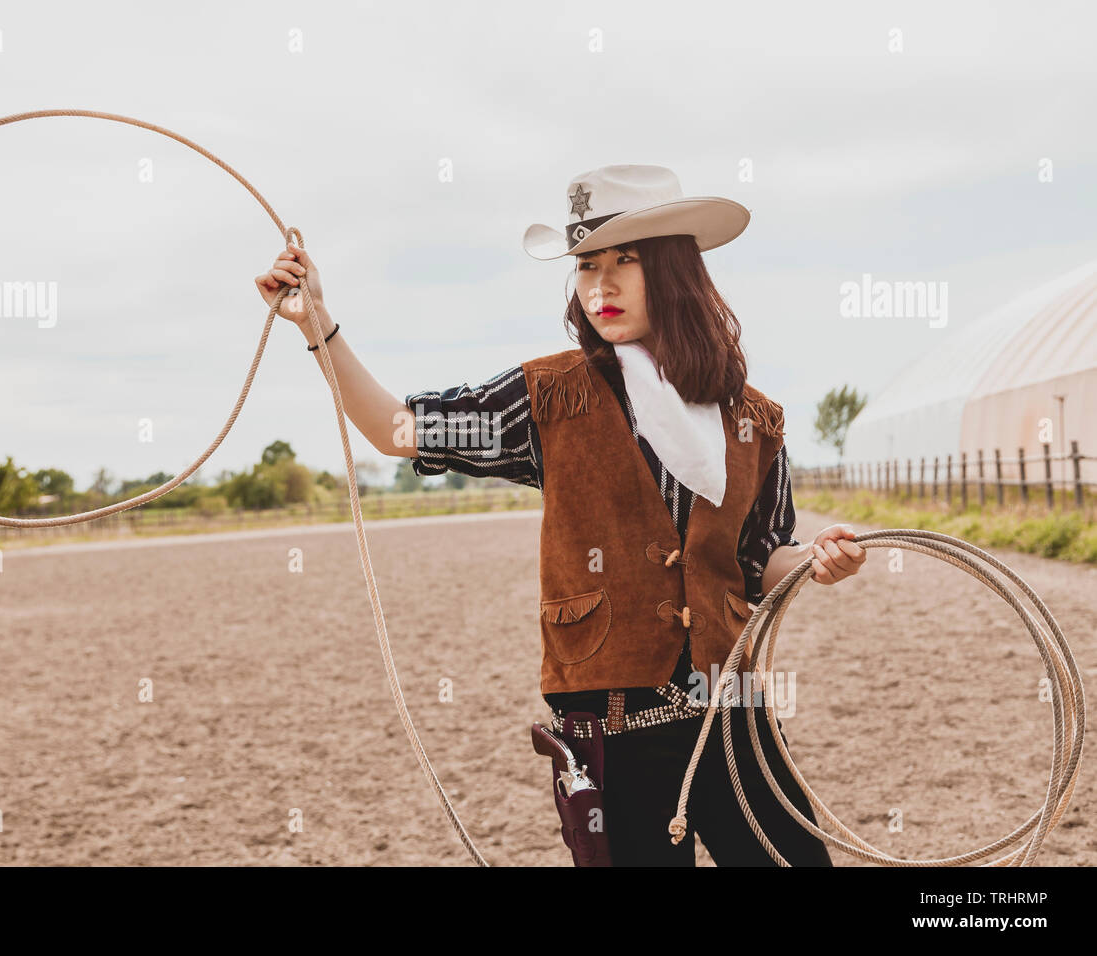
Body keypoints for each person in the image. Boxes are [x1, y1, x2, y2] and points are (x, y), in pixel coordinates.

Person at [255, 164, 866, 866]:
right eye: (586, 265)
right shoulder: (546, 398)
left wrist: (818, 560)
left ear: (674, 271)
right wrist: (318, 324)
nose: (600, 285)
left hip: (734, 719)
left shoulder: (753, 418)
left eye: (625, 261)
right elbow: (401, 429)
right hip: (611, 736)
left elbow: (764, 558)